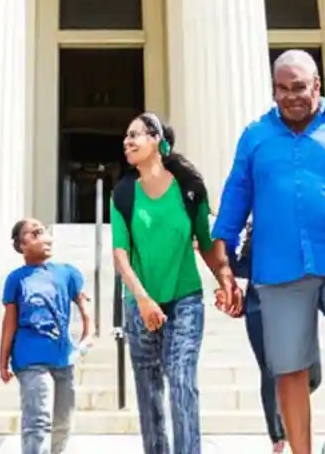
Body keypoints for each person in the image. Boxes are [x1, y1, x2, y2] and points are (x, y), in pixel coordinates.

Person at [212, 49, 325, 454]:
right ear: (273, 89)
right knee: (288, 367)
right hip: (278, 264)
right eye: (282, 89)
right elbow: (236, 195)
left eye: (299, 87)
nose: (291, 96)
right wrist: (224, 263)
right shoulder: (255, 134)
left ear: (317, 85)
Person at [111, 113, 240, 454]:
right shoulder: (123, 193)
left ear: (157, 140)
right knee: (148, 386)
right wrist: (141, 298)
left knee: (181, 377)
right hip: (139, 300)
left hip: (185, 298)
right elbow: (120, 254)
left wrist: (225, 280)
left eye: (135, 134)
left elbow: (207, 242)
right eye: (126, 136)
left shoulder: (188, 190)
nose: (127, 141)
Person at [0, 218, 93, 454]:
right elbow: (9, 322)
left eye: (45, 232)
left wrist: (87, 336)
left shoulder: (68, 273)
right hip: (29, 358)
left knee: (63, 422)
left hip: (63, 357)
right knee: (37, 420)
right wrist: (2, 361)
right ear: (22, 245)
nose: (45, 237)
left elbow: (85, 310)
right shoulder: (16, 279)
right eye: (36, 233)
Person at [232, 221, 322, 453]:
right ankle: (279, 437)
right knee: (271, 370)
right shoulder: (259, 232)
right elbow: (237, 266)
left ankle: (287, 415)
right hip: (259, 309)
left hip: (295, 306)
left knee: (312, 374)